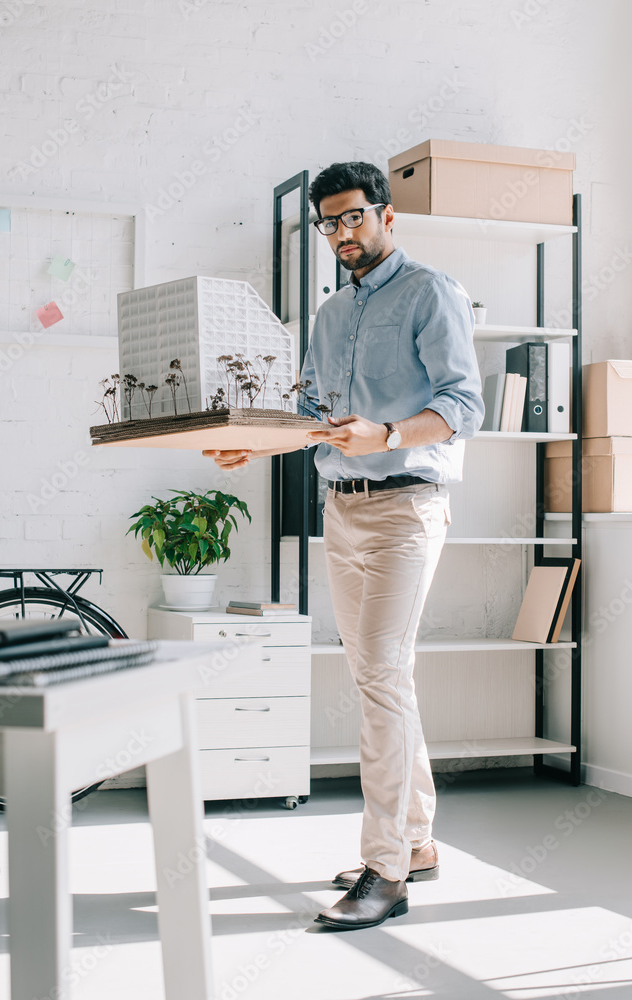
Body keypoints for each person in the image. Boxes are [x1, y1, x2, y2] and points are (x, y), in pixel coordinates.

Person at [203, 161, 484, 931]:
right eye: (329, 223)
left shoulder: (432, 292)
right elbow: (309, 413)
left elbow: (462, 404)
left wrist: (388, 433)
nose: (340, 234)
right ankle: (416, 842)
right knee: (379, 678)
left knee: (381, 679)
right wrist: (251, 447)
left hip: (405, 508)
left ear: (386, 215)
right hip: (343, 509)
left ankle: (385, 869)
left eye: (353, 217)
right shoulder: (328, 317)